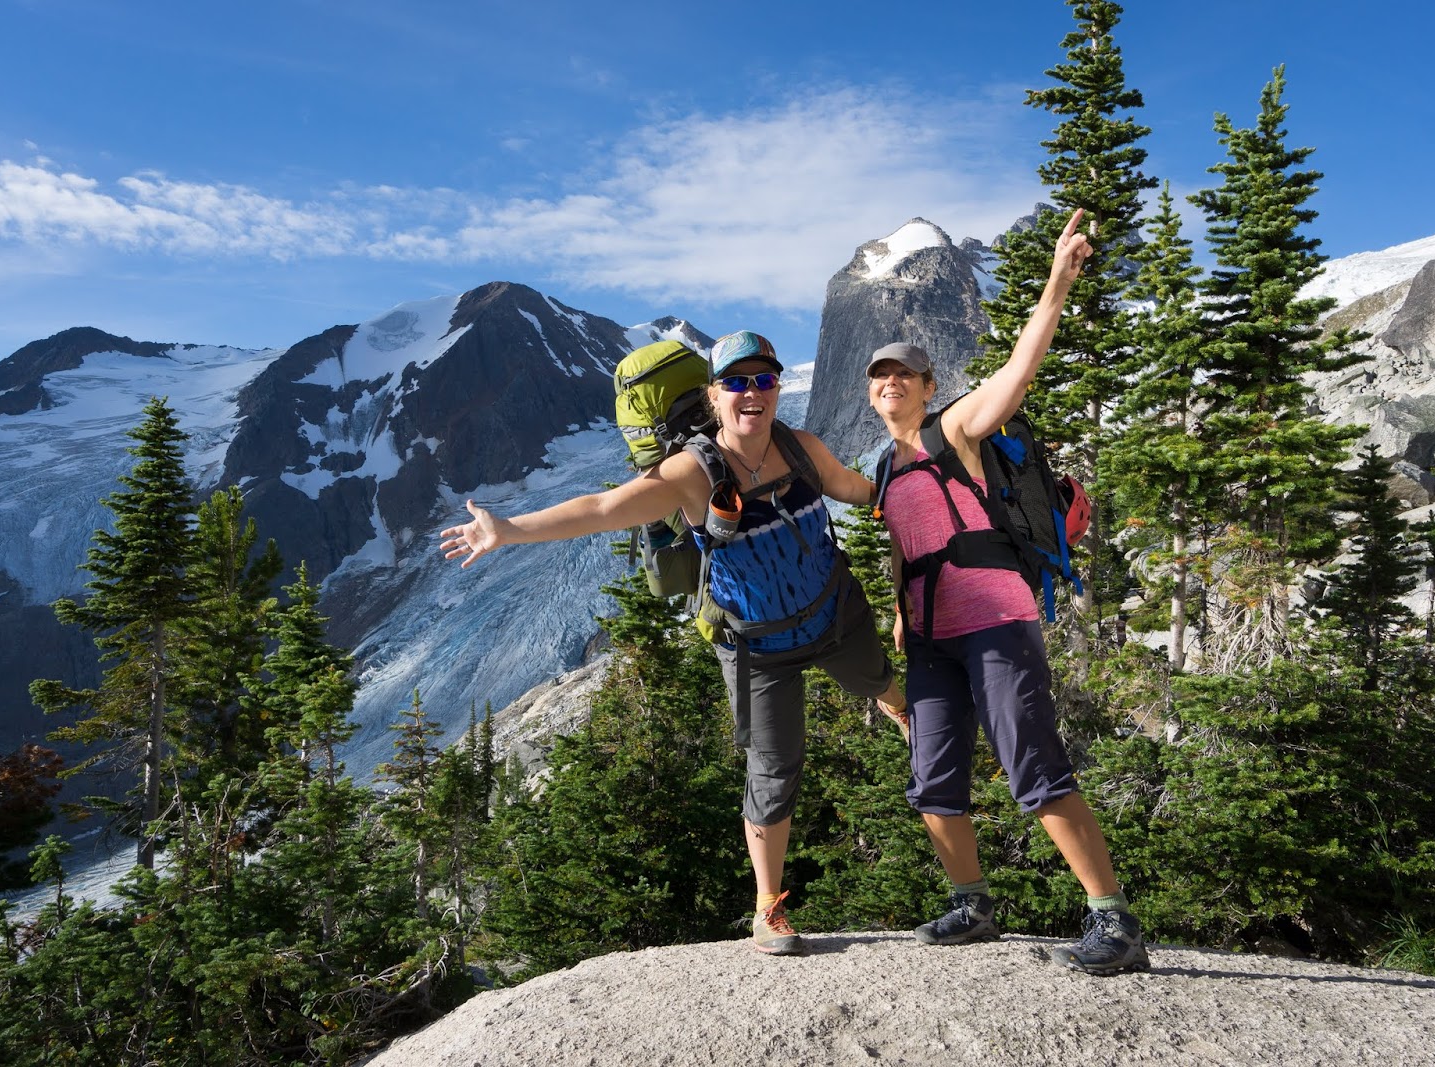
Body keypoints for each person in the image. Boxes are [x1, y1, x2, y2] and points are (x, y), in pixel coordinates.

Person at [441, 330, 908, 957]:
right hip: (757, 648)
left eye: (764, 380)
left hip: (832, 614)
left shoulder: (802, 449)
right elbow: (605, 507)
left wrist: (926, 488)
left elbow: (858, 490)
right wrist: (507, 529)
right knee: (773, 771)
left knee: (878, 677)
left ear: (775, 389)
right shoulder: (692, 471)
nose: (753, 393)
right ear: (713, 394)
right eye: (737, 382)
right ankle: (768, 907)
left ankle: (898, 707)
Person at [867, 209, 1149, 976]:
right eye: (879, 377)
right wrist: (898, 617)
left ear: (928, 386)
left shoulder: (956, 428)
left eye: (904, 374)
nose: (890, 383)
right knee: (931, 779)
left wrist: (1057, 283)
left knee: (1033, 762)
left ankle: (1114, 920)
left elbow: (1019, 369)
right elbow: (904, 547)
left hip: (994, 620)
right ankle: (973, 903)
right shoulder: (888, 473)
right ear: (872, 397)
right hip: (928, 637)